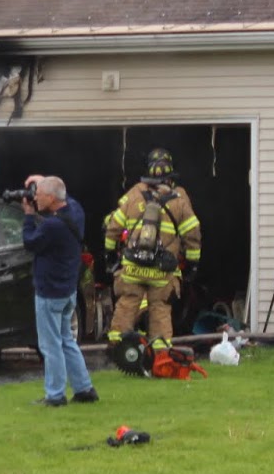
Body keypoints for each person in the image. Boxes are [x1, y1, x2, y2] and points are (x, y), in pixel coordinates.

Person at [104, 147, 203, 368]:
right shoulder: (179, 198)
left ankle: (117, 354)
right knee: (160, 309)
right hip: (162, 270)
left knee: (127, 304)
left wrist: (110, 255)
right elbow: (192, 233)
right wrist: (192, 264)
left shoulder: (133, 194)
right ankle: (161, 358)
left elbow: (112, 228)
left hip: (133, 266)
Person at [20, 174, 99, 406]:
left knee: (50, 344)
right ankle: (84, 388)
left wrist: (27, 216)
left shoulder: (53, 226)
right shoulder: (76, 211)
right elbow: (65, 194)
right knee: (66, 340)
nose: (35, 198)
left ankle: (55, 395)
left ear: (52, 198)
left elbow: (30, 242)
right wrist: (44, 179)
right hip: (68, 290)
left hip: (50, 292)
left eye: (40, 194)